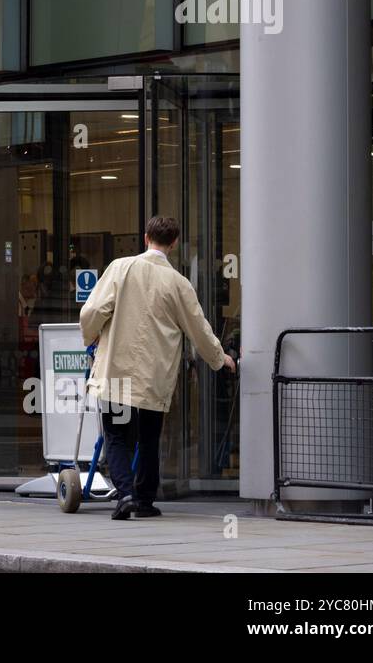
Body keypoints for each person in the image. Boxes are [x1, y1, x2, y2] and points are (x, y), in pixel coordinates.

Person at [79, 215, 236, 520]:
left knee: (115, 434)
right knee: (149, 436)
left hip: (117, 368)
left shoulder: (120, 268)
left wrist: (91, 334)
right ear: (174, 243)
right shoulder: (178, 283)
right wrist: (220, 359)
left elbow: (94, 310)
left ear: (145, 237)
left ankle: (124, 494)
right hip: (154, 372)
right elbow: (198, 329)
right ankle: (145, 501)